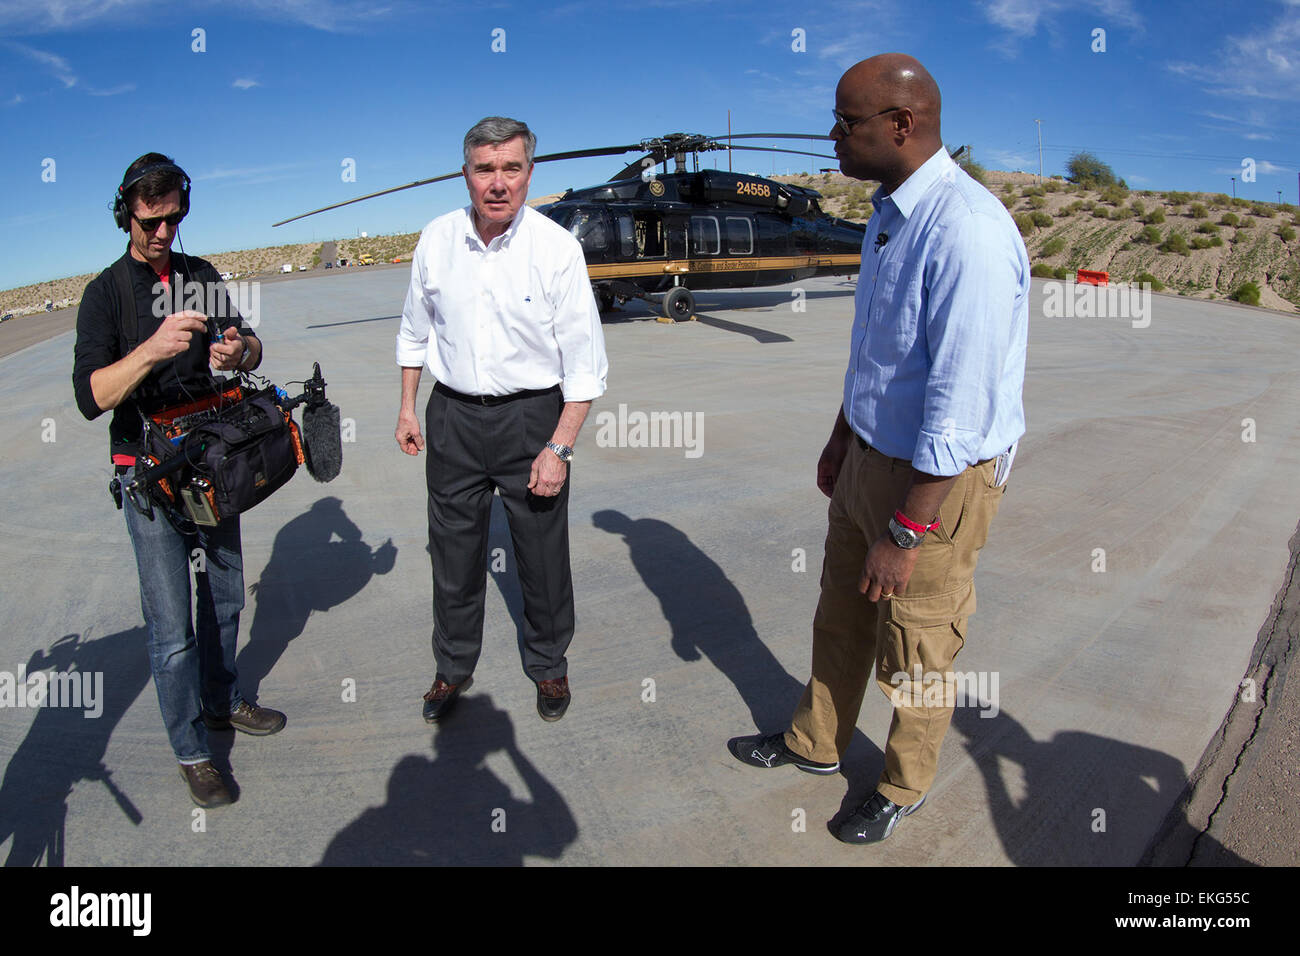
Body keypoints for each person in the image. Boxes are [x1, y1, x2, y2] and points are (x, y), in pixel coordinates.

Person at [728, 54, 1029, 844]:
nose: (832, 136)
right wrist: (841, 440)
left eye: (844, 121)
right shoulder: (893, 213)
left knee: (917, 646)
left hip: (934, 483)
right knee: (841, 617)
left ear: (902, 125)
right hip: (869, 457)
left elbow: (961, 407)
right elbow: (880, 354)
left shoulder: (965, 229)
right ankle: (816, 743)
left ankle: (903, 784)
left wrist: (908, 529)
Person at [72, 153, 285, 809]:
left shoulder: (200, 276)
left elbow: (251, 346)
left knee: (224, 597)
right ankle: (194, 751)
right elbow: (90, 396)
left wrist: (236, 353)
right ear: (126, 215)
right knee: (171, 627)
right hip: (147, 476)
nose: (163, 233)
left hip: (211, 464)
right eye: (150, 221)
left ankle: (222, 704)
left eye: (174, 219)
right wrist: (152, 350)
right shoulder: (104, 295)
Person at [395, 117, 608, 724]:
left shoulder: (556, 249)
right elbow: (415, 332)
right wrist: (409, 407)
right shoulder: (436, 240)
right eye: (484, 168)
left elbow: (585, 366)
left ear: (529, 174)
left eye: (510, 168)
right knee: (453, 553)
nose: (497, 182)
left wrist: (559, 448)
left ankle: (548, 664)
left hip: (531, 419)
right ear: (465, 173)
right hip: (453, 417)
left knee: (540, 555)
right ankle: (452, 668)